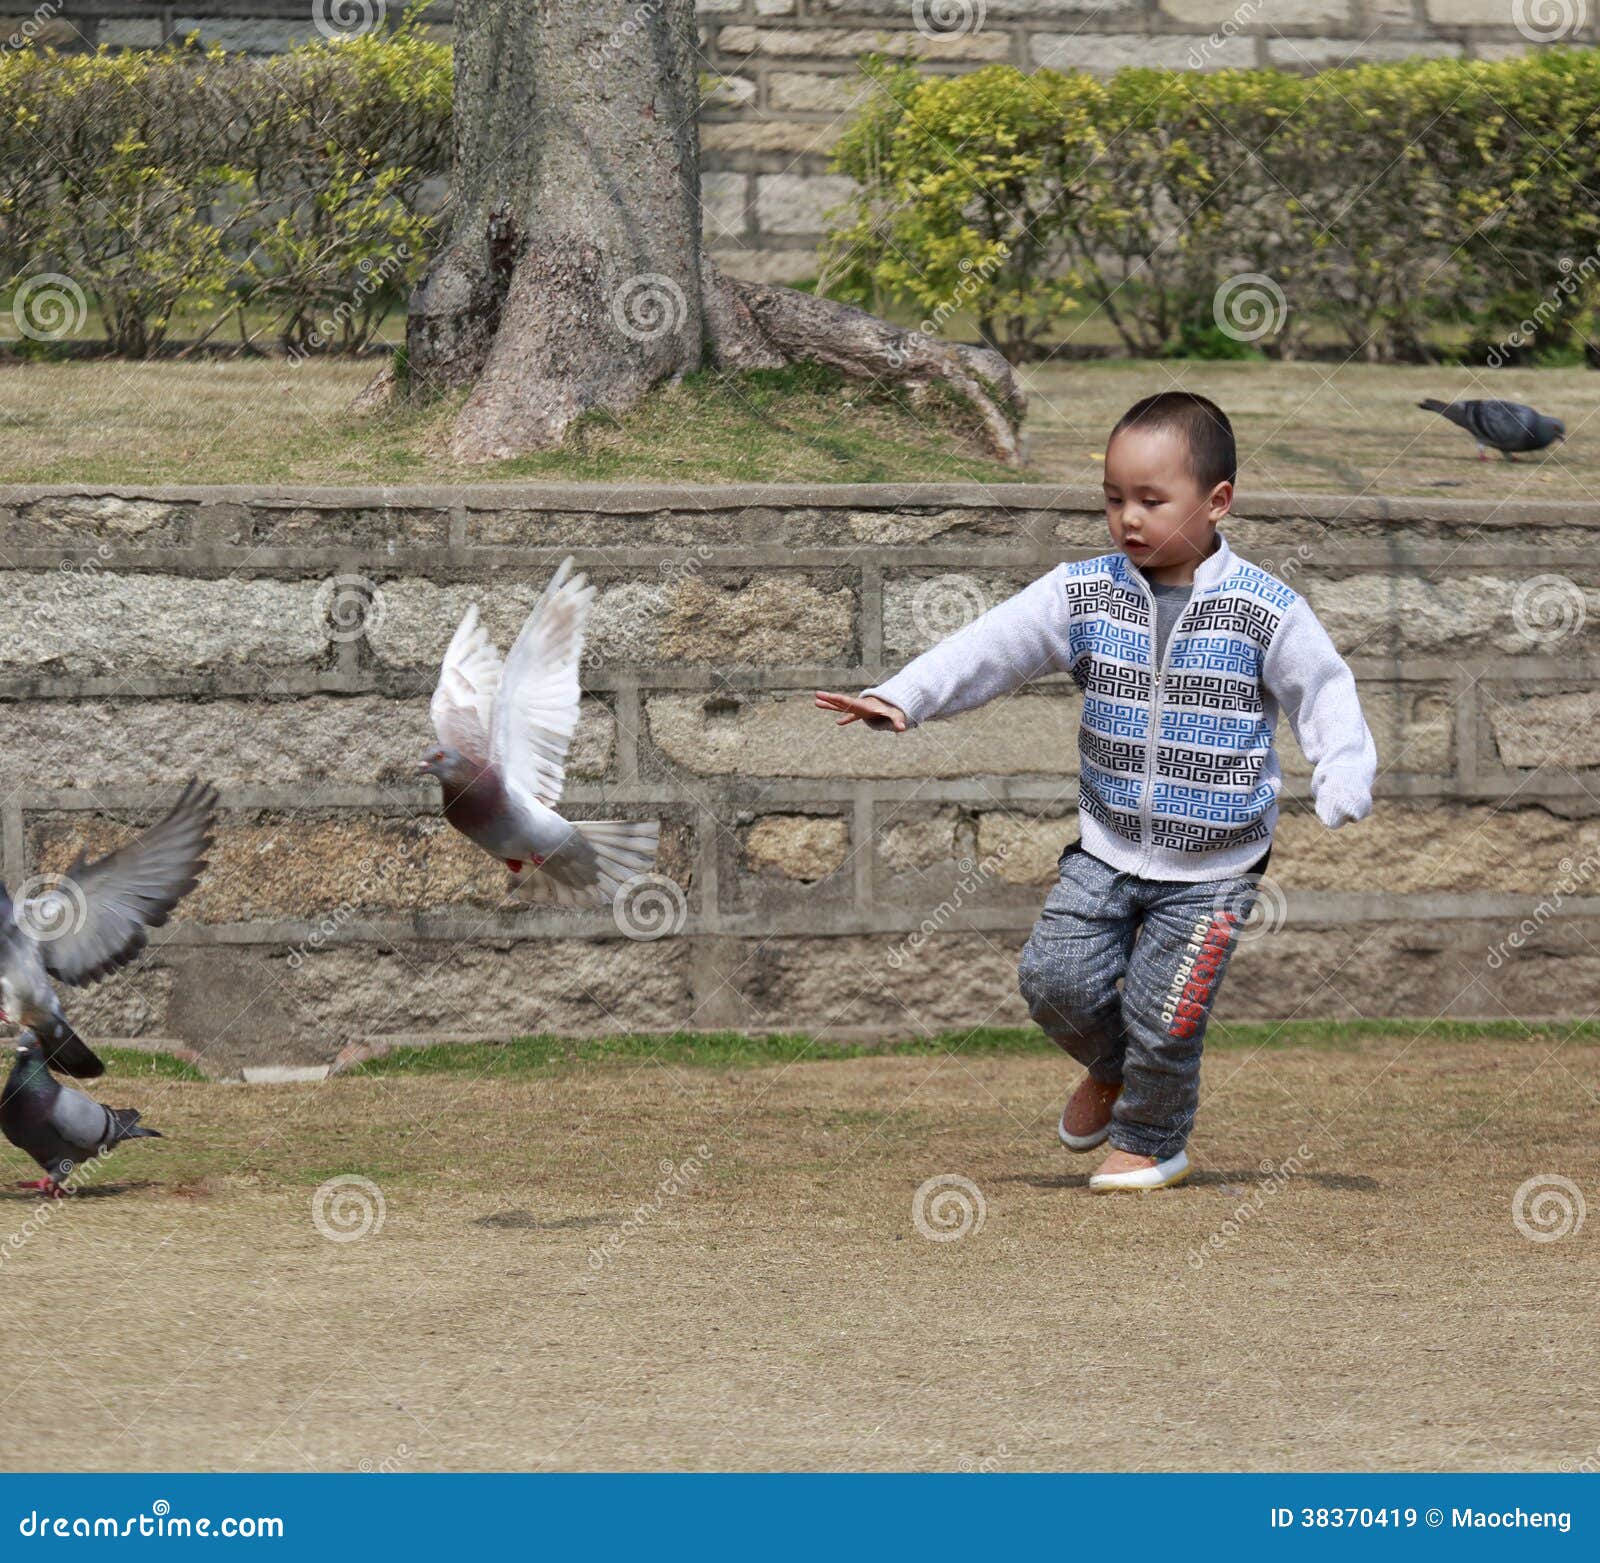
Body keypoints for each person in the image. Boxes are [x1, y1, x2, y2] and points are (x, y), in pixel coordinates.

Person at [815, 391, 1376, 1192]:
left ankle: (1151, 1139)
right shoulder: (1083, 591)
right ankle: (1113, 1068)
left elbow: (1324, 689)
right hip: (1107, 847)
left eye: (1152, 500)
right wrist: (903, 696)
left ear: (1218, 501)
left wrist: (1344, 769)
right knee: (1053, 980)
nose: (1129, 519)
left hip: (1216, 865)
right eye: (1114, 499)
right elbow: (992, 644)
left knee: (1167, 1012)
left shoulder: (1265, 609)